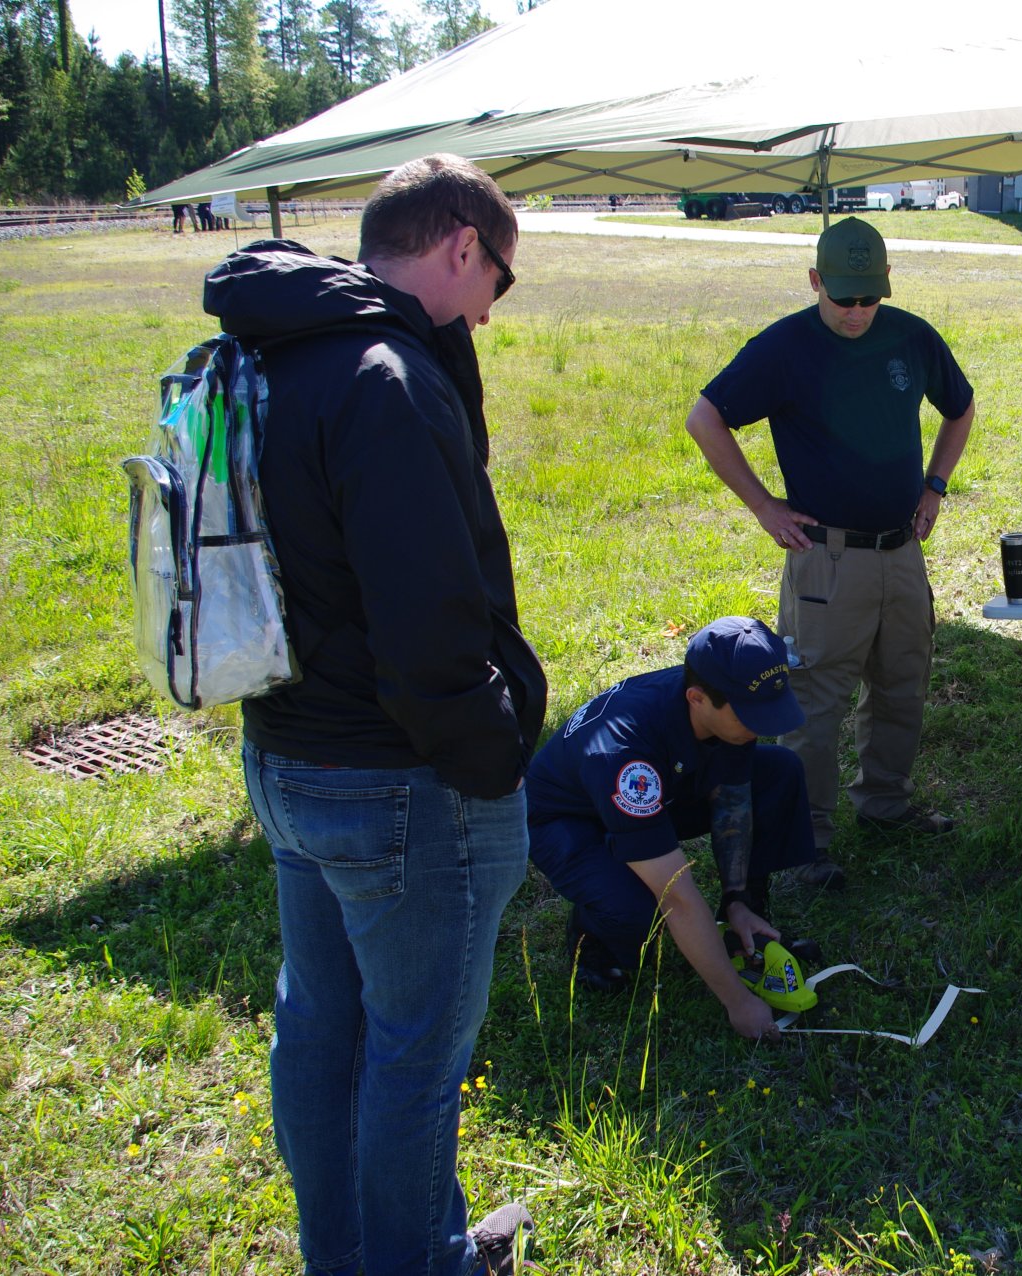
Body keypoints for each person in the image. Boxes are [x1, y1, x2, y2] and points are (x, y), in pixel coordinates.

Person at [208, 153, 542, 1274]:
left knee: (320, 1031)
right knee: (411, 1058)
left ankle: (344, 1254)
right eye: (499, 279)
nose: (491, 310)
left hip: (287, 753)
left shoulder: (271, 352)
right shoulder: (384, 376)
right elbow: (430, 622)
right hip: (397, 778)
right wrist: (493, 753)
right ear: (461, 247)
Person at [685, 217, 976, 883]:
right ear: (815, 281)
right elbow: (705, 418)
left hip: (901, 549)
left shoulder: (911, 336)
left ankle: (884, 803)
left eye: (868, 298)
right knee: (814, 704)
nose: (856, 312)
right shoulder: (784, 348)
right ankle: (804, 842)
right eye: (842, 298)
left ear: (887, 283)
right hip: (828, 558)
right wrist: (764, 505)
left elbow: (958, 408)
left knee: (903, 681)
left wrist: (935, 486)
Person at [526, 617, 818, 1040]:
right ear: (697, 699)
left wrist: (736, 897)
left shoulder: (730, 695)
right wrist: (738, 1002)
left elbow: (733, 798)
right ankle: (593, 937)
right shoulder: (623, 756)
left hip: (665, 791)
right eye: (752, 716)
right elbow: (677, 898)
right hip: (571, 821)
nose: (764, 724)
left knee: (779, 771)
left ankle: (746, 924)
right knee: (643, 913)